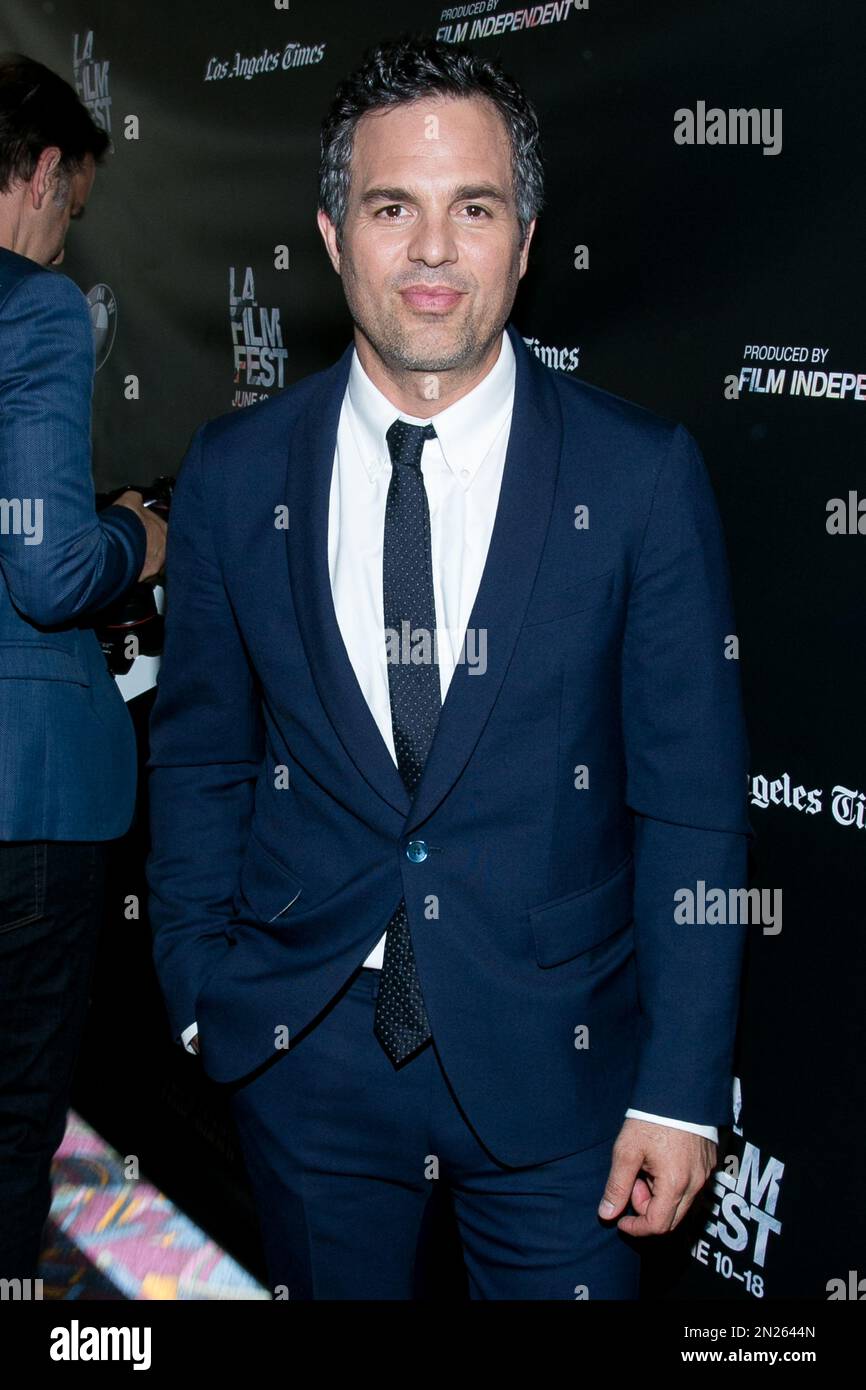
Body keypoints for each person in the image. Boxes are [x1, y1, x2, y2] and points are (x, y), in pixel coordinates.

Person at [147, 36, 752, 1300]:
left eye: (471, 208)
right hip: (301, 1056)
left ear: (524, 238)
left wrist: (682, 1092)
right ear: (330, 232)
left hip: (562, 1078)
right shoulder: (235, 472)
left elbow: (690, 805)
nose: (431, 252)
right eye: (390, 208)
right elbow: (203, 750)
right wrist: (203, 994)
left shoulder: (635, 478)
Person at [0, 53, 166, 1281]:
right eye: (72, 210)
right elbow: (49, 573)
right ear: (45, 171)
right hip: (27, 797)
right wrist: (141, 537)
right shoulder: (33, 307)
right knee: (14, 1127)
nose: (62, 246)